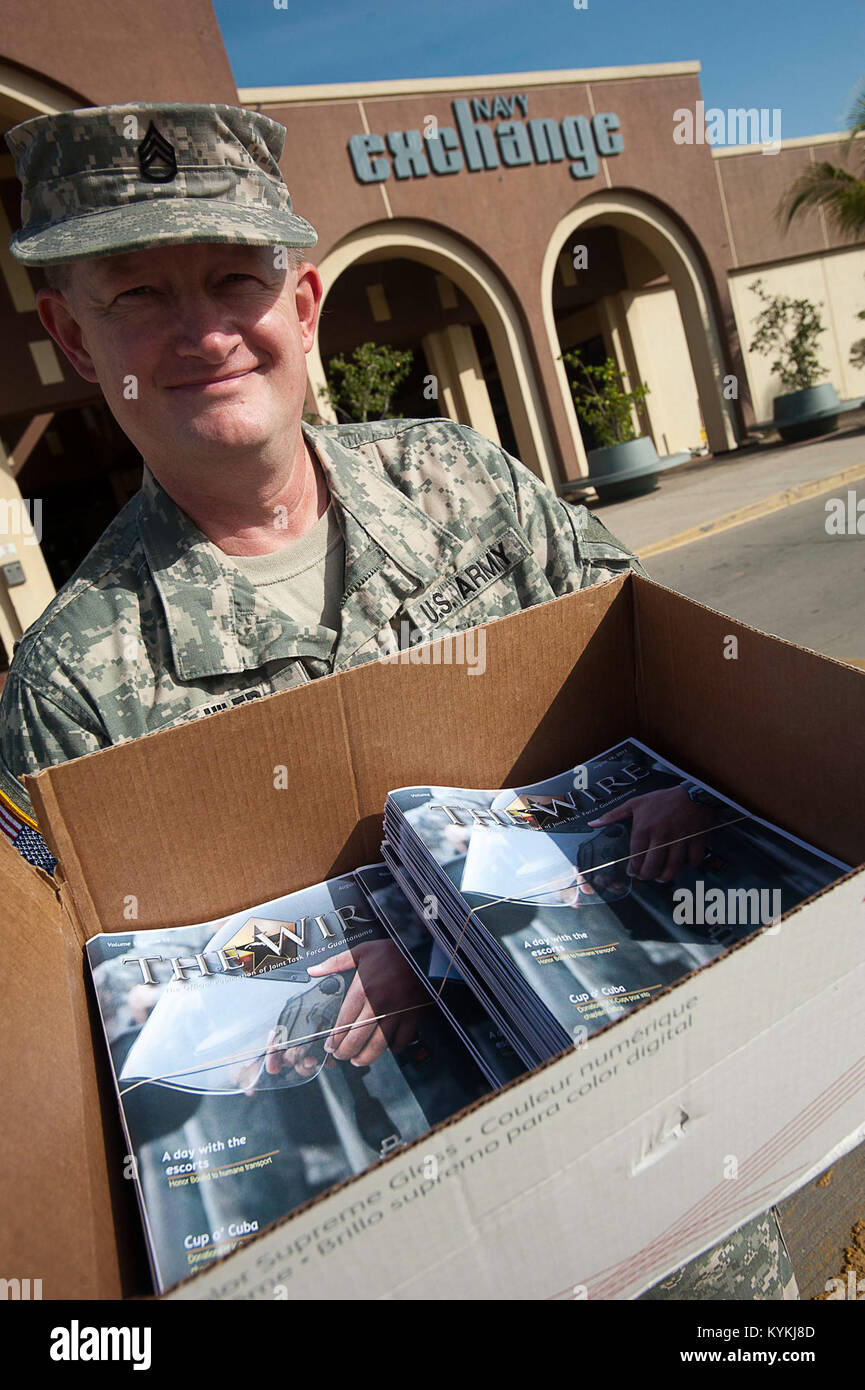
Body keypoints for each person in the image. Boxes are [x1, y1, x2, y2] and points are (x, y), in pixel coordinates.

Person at [0, 100, 796, 1301]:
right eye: (138, 296)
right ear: (69, 333)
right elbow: (95, 1054)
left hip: (669, 1184)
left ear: (304, 303)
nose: (202, 332)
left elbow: (668, 707)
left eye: (232, 277)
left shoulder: (464, 483)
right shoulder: (69, 680)